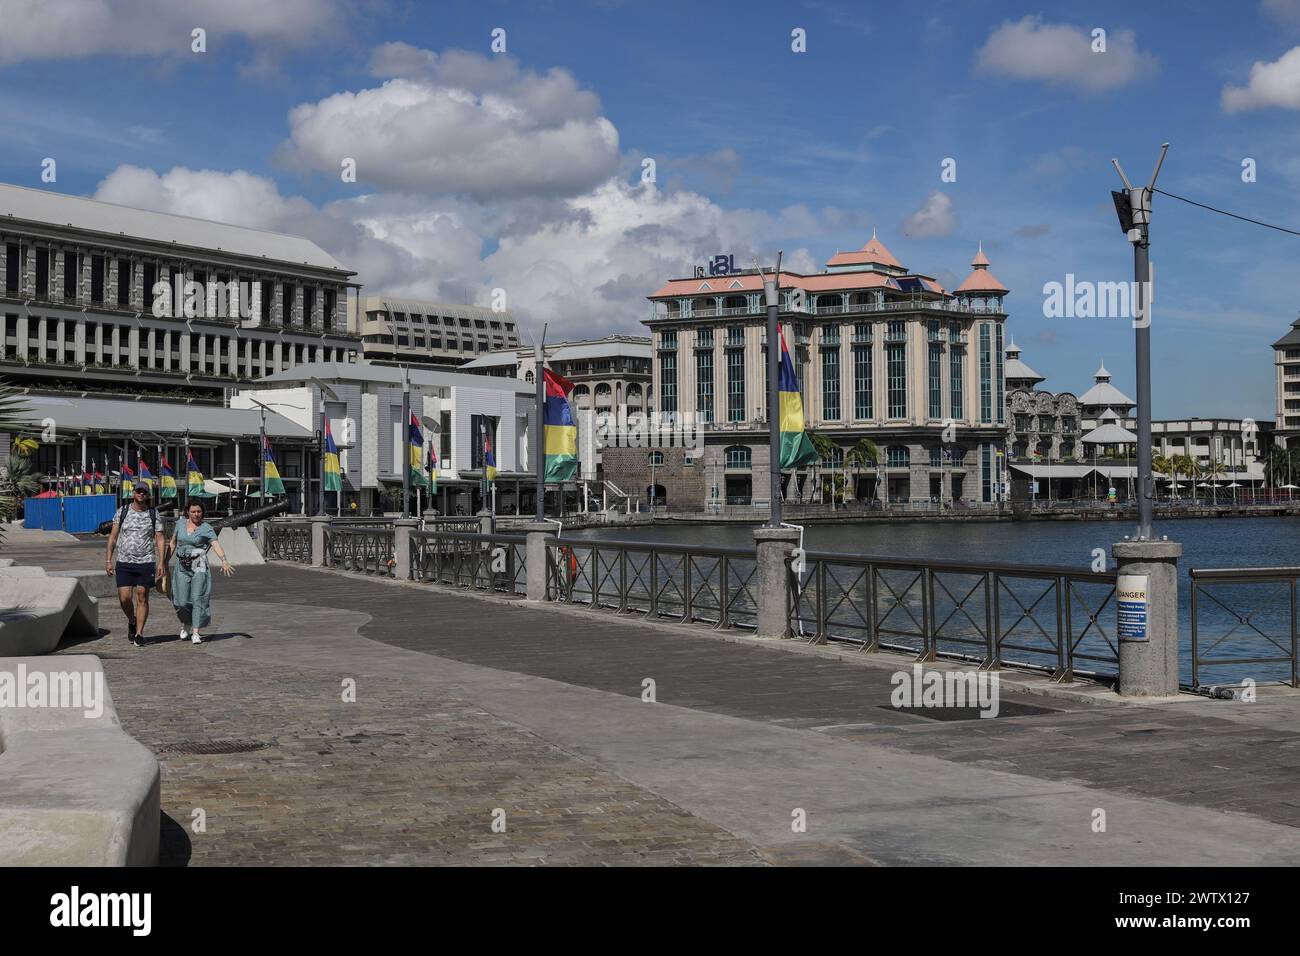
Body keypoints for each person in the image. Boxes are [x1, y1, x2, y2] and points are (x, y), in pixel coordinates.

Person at [105, 481, 165, 647]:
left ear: (148, 495)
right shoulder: (122, 511)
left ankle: (139, 633)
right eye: (138, 491)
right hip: (124, 561)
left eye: (144, 492)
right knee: (124, 599)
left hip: (146, 561)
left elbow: (160, 538)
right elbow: (113, 537)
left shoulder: (154, 513)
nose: (141, 494)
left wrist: (161, 562)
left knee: (142, 596)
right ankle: (132, 620)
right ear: (133, 493)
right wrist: (108, 560)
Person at [167, 500, 234, 644]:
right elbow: (172, 542)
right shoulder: (180, 524)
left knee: (198, 598)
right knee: (181, 601)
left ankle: (196, 632)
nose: (196, 514)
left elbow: (215, 543)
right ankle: (186, 623)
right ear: (187, 512)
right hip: (181, 566)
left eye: (199, 511)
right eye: (193, 511)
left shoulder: (206, 528)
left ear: (202, 513)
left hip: (199, 565)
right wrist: (165, 561)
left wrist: (224, 560)